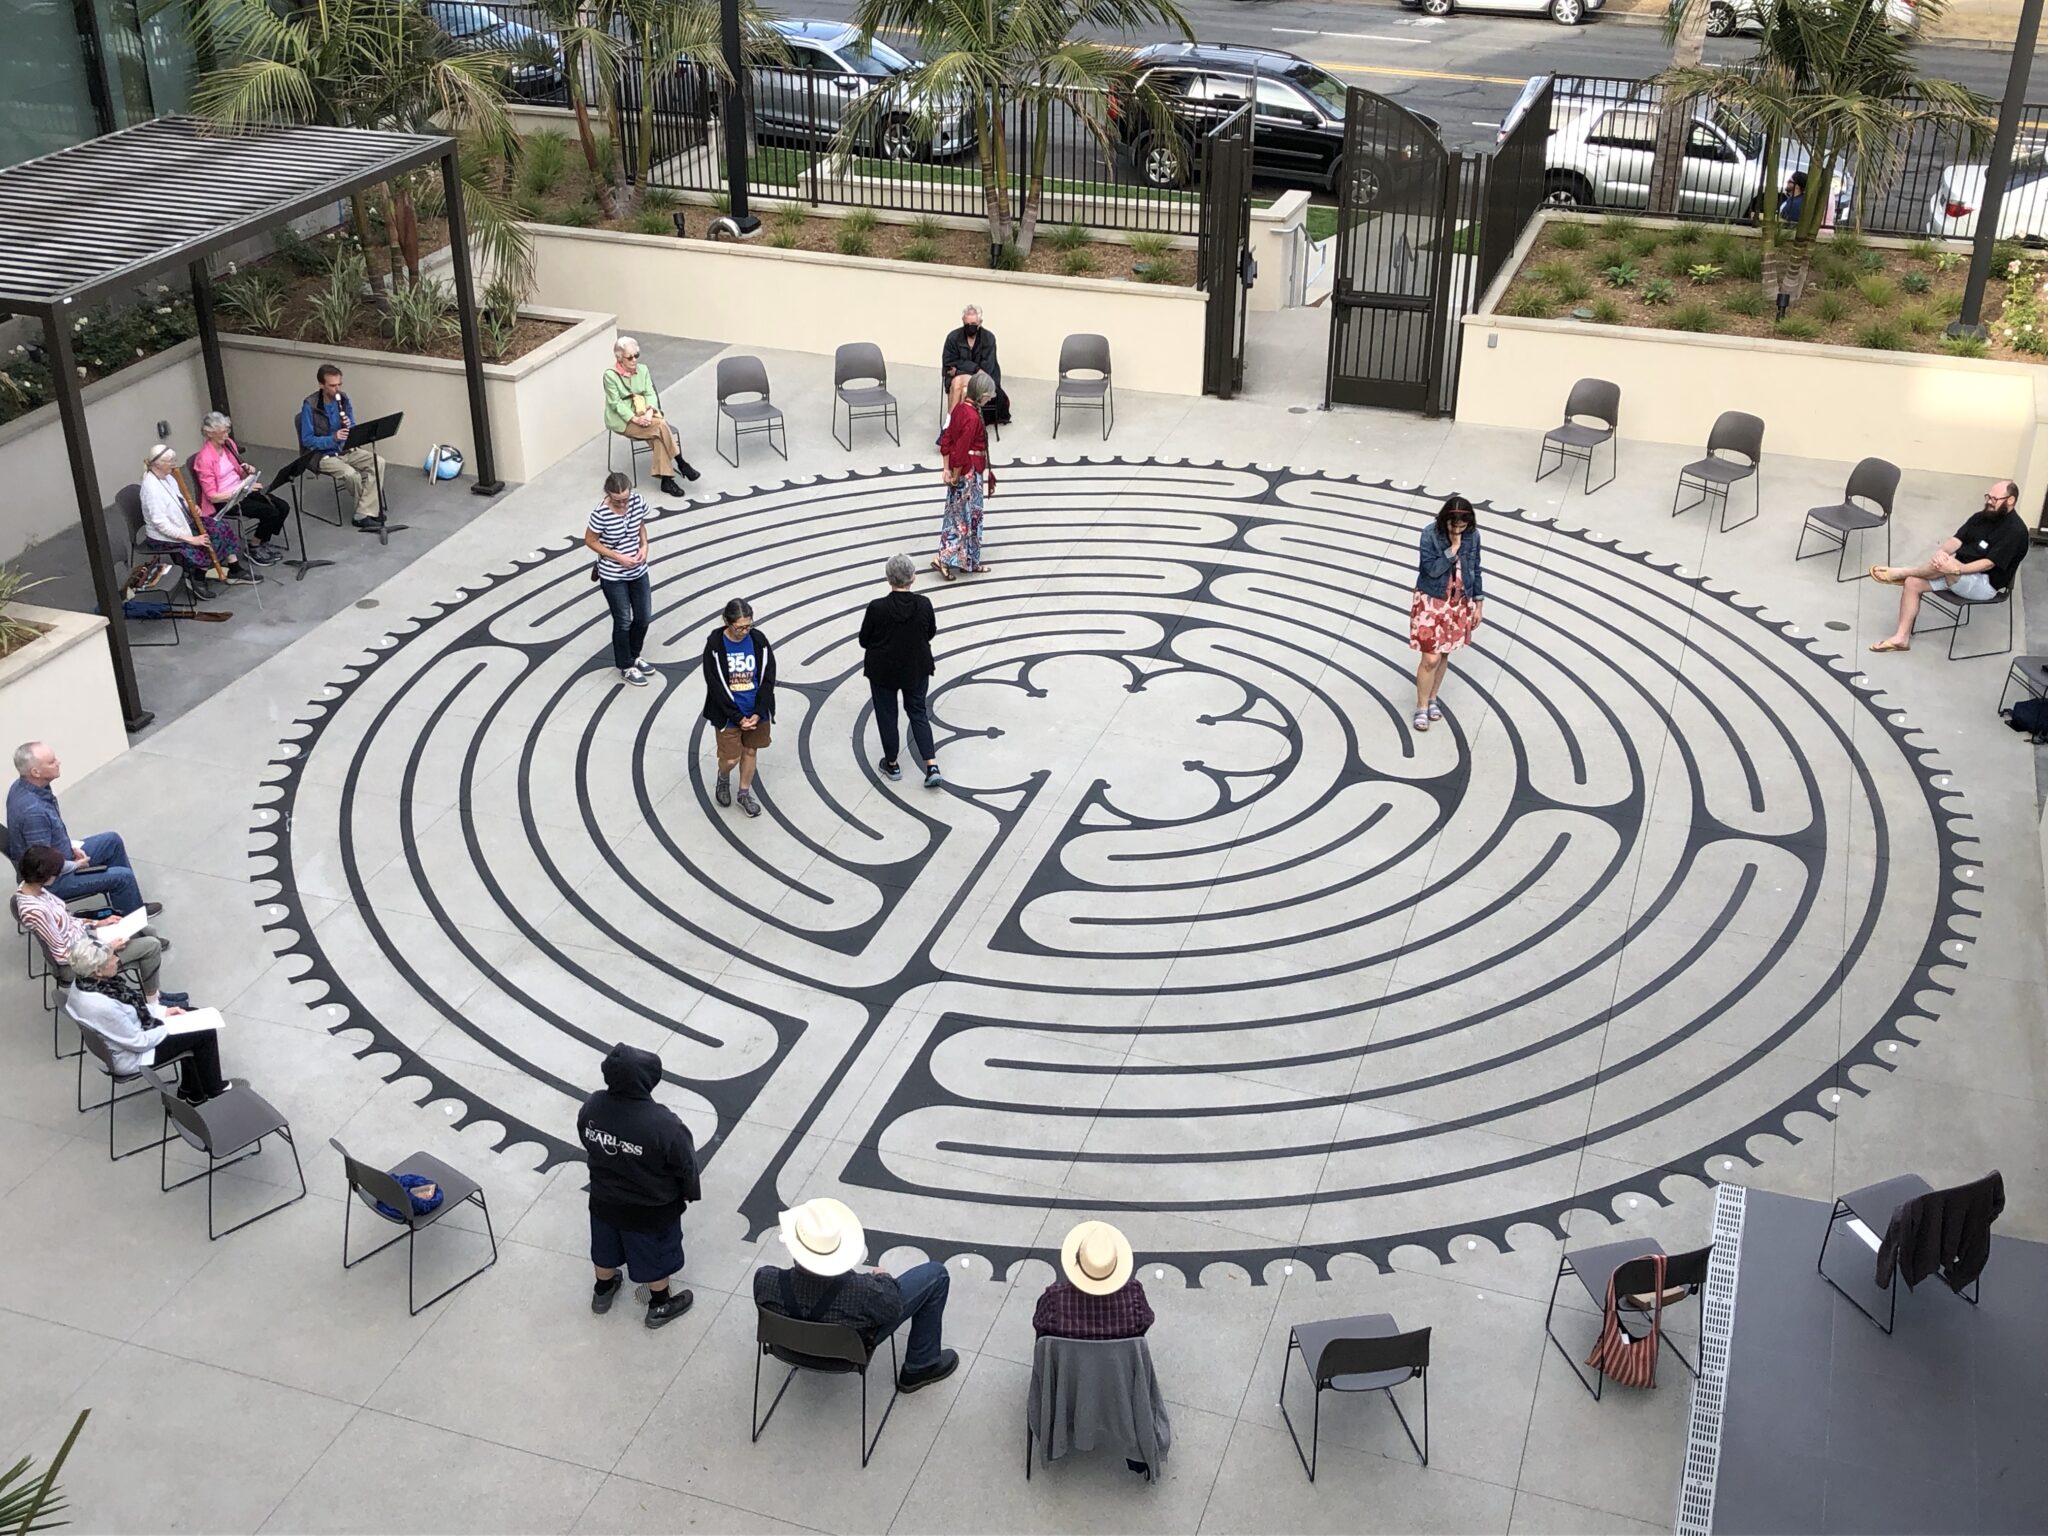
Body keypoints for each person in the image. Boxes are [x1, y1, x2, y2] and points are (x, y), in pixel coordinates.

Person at [754, 1196, 959, 1392]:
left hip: (787, 1347)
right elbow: (893, 1307)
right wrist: (884, 1278)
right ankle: (920, 1367)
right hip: (848, 1350)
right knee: (937, 1275)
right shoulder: (864, 1292)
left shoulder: (765, 1280)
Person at [578, 1043, 700, 1329]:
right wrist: (688, 1192)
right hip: (651, 1209)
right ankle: (659, 1305)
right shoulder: (663, 1124)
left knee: (604, 1246)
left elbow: (586, 1137)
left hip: (604, 1200)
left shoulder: (593, 1105)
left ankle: (603, 1291)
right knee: (655, 1257)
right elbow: (685, 1164)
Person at [1034, 1219, 1159, 1477]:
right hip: (1119, 1387)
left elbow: (1039, 1328)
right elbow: (1146, 1323)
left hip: (1070, 1383)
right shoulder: (1134, 1296)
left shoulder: (1055, 1299)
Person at [1869, 479, 2030, 652]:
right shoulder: (1981, 517)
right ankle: (1901, 638)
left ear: (2011, 500)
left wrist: (1956, 569)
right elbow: (1957, 540)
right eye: (1988, 497)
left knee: (1944, 565)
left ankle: (1902, 572)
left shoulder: (2016, 531)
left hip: (1984, 584)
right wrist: (1942, 552)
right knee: (1912, 583)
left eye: (1994, 499)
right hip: (1953, 573)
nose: (1989, 501)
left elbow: (1987, 564)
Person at [64, 936, 228, 1104]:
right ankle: (213, 1089)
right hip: (134, 1054)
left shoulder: (84, 984)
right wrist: (170, 1026)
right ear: (97, 971)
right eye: (112, 958)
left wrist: (163, 1012)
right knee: (203, 1030)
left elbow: (132, 1007)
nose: (117, 960)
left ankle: (192, 1090)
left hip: (131, 1036)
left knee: (190, 1014)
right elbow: (138, 1042)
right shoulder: (101, 1006)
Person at [15, 846, 184, 1006]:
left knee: (148, 930)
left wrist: (98, 923)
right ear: (43, 876)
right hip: (79, 961)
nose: (58, 875)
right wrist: (107, 948)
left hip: (85, 940)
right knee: (151, 946)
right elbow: (61, 954)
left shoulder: (36, 889)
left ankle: (153, 993)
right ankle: (154, 1004)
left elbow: (68, 922)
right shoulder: (35, 911)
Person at [6, 742, 159, 917]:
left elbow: (45, 843)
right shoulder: (33, 813)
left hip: (58, 857)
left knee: (112, 841)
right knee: (122, 877)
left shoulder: (24, 786)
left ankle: (130, 906)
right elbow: (43, 865)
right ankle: (134, 925)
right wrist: (74, 865)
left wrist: (70, 848)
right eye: (51, 761)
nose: (58, 762)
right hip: (51, 881)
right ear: (35, 772)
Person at [860, 553, 942, 789]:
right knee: (918, 711)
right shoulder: (924, 604)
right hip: (917, 668)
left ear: (888, 579)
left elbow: (864, 639)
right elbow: (930, 632)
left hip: (882, 670)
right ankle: (931, 765)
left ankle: (892, 763)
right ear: (913, 578)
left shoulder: (877, 608)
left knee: (887, 714)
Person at [1410, 495, 1485, 732]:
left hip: (1457, 603)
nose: (1459, 530)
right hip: (1431, 600)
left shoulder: (1473, 536)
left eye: (1463, 526)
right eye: (1455, 526)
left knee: (1443, 655)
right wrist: (1452, 549)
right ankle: (1422, 706)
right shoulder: (1430, 534)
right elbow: (1430, 570)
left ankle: (1433, 698)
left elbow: (1475, 568)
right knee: (1430, 657)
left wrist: (1478, 603)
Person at [138, 444, 258, 587]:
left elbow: (178, 498)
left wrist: (191, 507)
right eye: (171, 462)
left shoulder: (167, 476)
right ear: (159, 464)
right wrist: (192, 539)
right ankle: (197, 578)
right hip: (164, 536)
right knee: (205, 542)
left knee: (220, 527)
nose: (175, 464)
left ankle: (234, 569)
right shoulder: (151, 489)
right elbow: (160, 524)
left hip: (184, 521)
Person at [700, 598, 776, 819]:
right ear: (727, 621)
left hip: (756, 712)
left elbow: (768, 677)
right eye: (740, 626)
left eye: (748, 625)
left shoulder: (759, 641)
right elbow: (714, 684)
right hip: (728, 714)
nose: (745, 631)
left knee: (751, 751)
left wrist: (758, 712)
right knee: (731, 758)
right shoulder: (715, 646)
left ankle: (744, 792)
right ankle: (723, 777)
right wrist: (737, 716)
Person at [586, 472, 658, 687]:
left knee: (643, 617)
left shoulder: (637, 502)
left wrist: (645, 546)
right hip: (613, 575)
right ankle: (625, 665)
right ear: (608, 495)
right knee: (623, 621)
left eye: (625, 499)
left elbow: (640, 525)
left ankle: (635, 655)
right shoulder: (600, 514)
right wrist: (617, 556)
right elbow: (590, 540)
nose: (623, 504)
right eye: (617, 501)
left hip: (638, 570)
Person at [604, 336, 698, 497]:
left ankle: (667, 481)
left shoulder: (643, 370)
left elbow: (650, 393)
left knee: (658, 435)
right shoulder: (610, 376)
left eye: (636, 355)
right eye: (630, 357)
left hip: (645, 412)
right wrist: (635, 419)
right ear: (619, 358)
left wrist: (648, 412)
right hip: (624, 420)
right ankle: (681, 462)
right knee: (661, 425)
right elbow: (615, 404)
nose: (634, 360)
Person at [192, 411, 290, 566]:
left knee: (283, 507)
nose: (227, 434)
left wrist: (247, 470)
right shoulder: (205, 459)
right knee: (270, 511)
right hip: (226, 500)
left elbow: (238, 471)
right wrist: (243, 490)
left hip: (242, 488)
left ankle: (262, 540)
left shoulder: (229, 445)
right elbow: (212, 496)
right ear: (210, 433)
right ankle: (254, 546)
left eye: (227, 430)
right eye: (223, 431)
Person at [297, 363, 385, 530]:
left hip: (346, 449)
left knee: (378, 462)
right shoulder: (310, 405)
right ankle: (366, 512)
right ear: (321, 385)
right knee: (352, 475)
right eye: (332, 385)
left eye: (339, 384)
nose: (337, 389)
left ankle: (364, 512)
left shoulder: (343, 399)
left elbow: (353, 426)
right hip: (321, 455)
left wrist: (349, 426)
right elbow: (307, 440)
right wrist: (333, 438)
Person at [934, 372, 997, 581]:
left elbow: (947, 439)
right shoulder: (971, 417)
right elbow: (960, 449)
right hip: (969, 473)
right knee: (965, 519)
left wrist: (946, 469)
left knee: (961, 516)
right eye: (988, 395)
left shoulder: (960, 409)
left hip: (963, 471)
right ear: (981, 394)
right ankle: (943, 558)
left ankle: (967, 561)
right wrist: (956, 474)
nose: (990, 398)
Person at [941, 304, 1011, 427]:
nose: (970, 327)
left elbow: (986, 370)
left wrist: (960, 370)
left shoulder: (988, 338)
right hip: (959, 380)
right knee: (958, 384)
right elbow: (948, 364)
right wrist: (975, 368)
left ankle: (950, 424)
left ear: (980, 322)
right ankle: (955, 425)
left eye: (973, 324)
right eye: (967, 324)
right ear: (963, 321)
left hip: (985, 381)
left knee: (961, 385)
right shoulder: (953, 338)